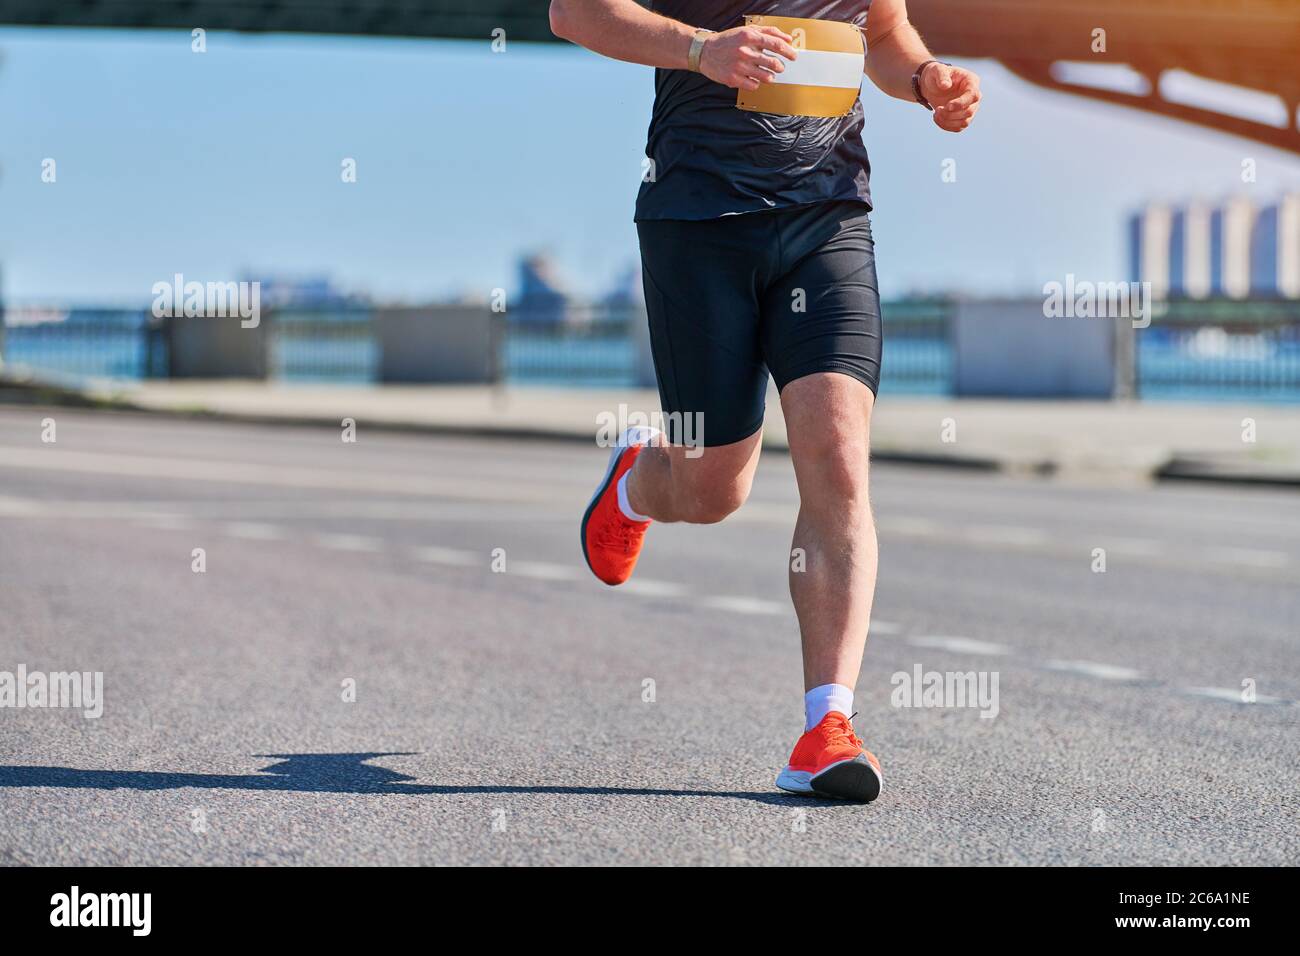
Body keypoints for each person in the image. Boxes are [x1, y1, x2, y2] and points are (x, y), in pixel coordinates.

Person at [556, 0, 981, 802]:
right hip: (697, 218)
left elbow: (881, 35)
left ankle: (828, 727)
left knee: (841, 458)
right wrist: (699, 48)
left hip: (828, 218)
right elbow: (573, 12)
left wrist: (926, 79)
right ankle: (637, 484)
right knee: (712, 490)